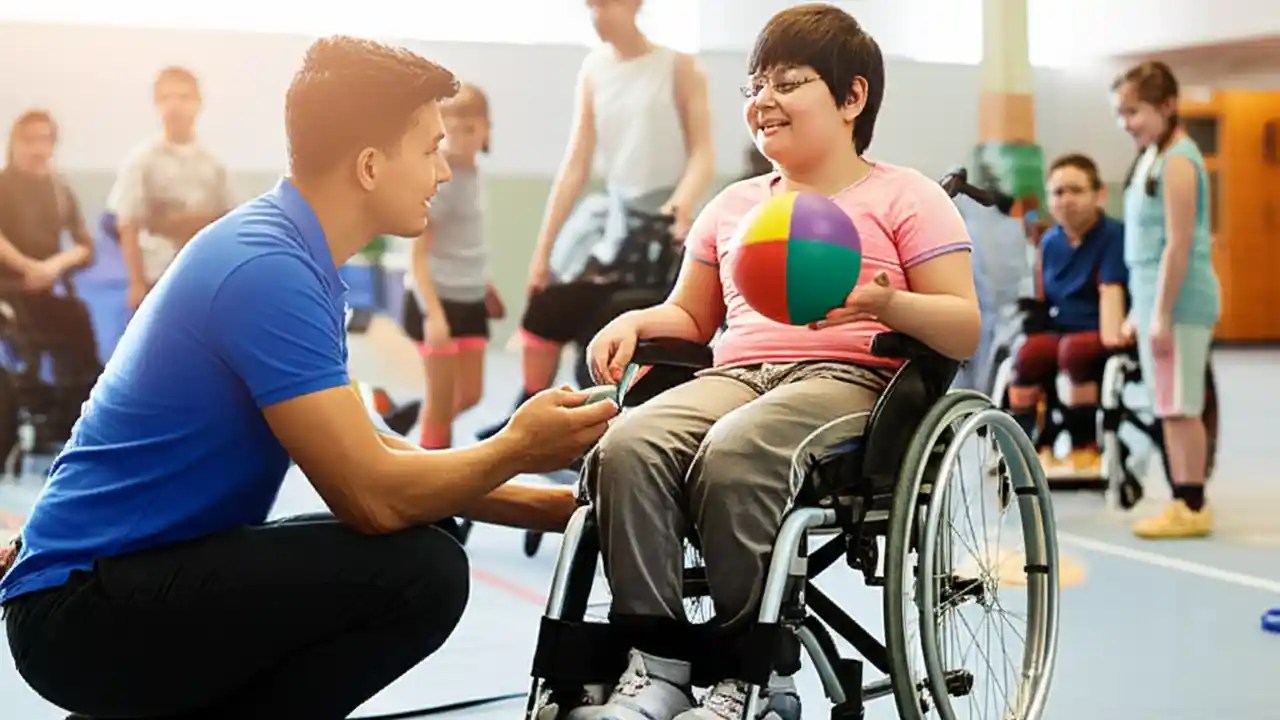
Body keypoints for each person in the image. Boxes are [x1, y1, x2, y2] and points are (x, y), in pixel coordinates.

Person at [0, 36, 617, 720]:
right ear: (371, 165)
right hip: (79, 613)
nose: (443, 171)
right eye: (431, 148)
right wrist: (520, 446)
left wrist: (561, 509)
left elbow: (379, 451)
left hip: (110, 588)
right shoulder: (266, 270)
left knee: (425, 540)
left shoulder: (293, 255)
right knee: (421, 573)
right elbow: (371, 498)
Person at [568, 5, 981, 719]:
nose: (763, 101)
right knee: (626, 444)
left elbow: (964, 327)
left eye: (788, 83)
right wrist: (636, 319)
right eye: (755, 86)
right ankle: (655, 663)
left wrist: (887, 304)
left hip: (849, 383)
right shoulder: (732, 206)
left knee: (737, 453)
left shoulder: (904, 195)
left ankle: (753, 677)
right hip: (733, 377)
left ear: (853, 97)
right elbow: (693, 318)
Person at [476, 0, 714, 440]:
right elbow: (576, 165)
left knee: (602, 320)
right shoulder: (594, 71)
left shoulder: (678, 67)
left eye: (606, 5)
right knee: (547, 306)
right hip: (615, 228)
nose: (597, 16)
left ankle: (588, 424)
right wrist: (542, 254)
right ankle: (524, 414)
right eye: (591, 6)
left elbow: (703, 152)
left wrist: (678, 207)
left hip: (666, 232)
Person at [1111, 60, 1221, 539]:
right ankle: (1184, 499)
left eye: (1134, 111)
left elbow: (1177, 244)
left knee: (1180, 407)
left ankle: (1190, 504)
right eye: (1122, 113)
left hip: (1178, 303)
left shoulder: (1179, 159)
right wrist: (1140, 310)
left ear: (1168, 106)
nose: (1127, 122)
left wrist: (1160, 313)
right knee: (1169, 406)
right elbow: (1148, 250)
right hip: (1156, 297)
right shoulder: (1154, 156)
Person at [1007, 153, 1128, 474]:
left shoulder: (1114, 236)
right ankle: (1028, 443)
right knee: (1028, 353)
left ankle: (1084, 444)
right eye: (1058, 193)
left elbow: (1112, 292)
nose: (1066, 200)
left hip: (1100, 328)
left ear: (1098, 194)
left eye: (1076, 190)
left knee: (1074, 351)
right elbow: (1041, 298)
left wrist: (1115, 338)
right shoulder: (1050, 242)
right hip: (1059, 328)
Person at [402, 83, 504, 450]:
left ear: (487, 130)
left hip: (470, 297)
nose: (461, 138)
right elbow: (416, 255)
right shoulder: (439, 180)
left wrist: (485, 285)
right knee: (440, 409)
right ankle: (429, 491)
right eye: (452, 129)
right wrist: (434, 315)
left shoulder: (475, 176)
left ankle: (412, 424)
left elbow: (464, 243)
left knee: (471, 394)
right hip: (437, 300)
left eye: (471, 129)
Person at [0, 109, 97, 446]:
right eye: (29, 140)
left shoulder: (59, 189)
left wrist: (54, 266)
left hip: (47, 288)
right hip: (8, 290)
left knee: (78, 320)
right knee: (20, 330)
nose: (38, 148)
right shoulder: (3, 184)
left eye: (45, 140)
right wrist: (28, 266)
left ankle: (70, 421)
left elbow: (86, 246)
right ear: (13, 143)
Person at [107, 65, 236, 311]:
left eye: (184, 97)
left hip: (204, 275)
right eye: (166, 98)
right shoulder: (142, 161)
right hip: (156, 274)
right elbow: (128, 223)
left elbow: (228, 219)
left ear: (199, 103)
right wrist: (136, 283)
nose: (175, 105)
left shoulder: (214, 164)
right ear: (156, 104)